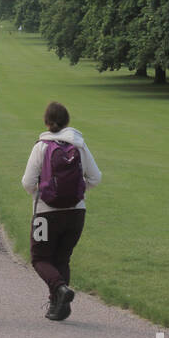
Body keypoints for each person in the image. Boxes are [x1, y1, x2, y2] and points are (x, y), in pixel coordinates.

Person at [20, 101, 102, 322]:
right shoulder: (80, 146)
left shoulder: (41, 147)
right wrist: (77, 191)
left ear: (46, 123)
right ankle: (59, 307)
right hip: (76, 212)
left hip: (45, 214)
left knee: (39, 258)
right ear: (67, 122)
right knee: (62, 258)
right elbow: (95, 178)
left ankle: (60, 290)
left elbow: (27, 182)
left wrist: (43, 192)